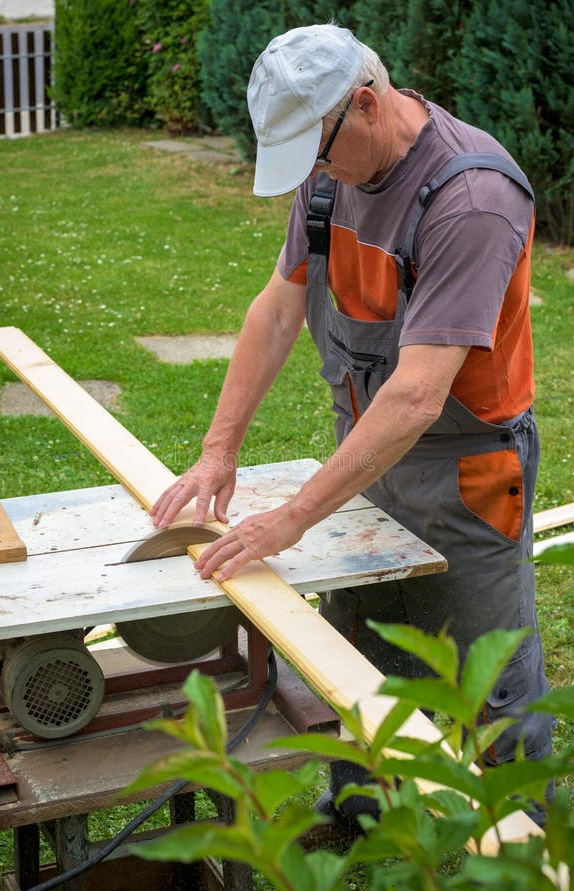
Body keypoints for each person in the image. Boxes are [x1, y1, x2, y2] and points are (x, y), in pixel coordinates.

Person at [150, 23, 553, 826]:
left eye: (319, 152)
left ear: (365, 104)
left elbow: (417, 397)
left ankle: (526, 850)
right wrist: (217, 451)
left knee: (488, 679)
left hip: (466, 473)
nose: (314, 172)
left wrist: (292, 518)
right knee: (359, 651)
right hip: (368, 455)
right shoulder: (330, 175)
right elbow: (276, 310)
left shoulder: (471, 198)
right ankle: (361, 818)